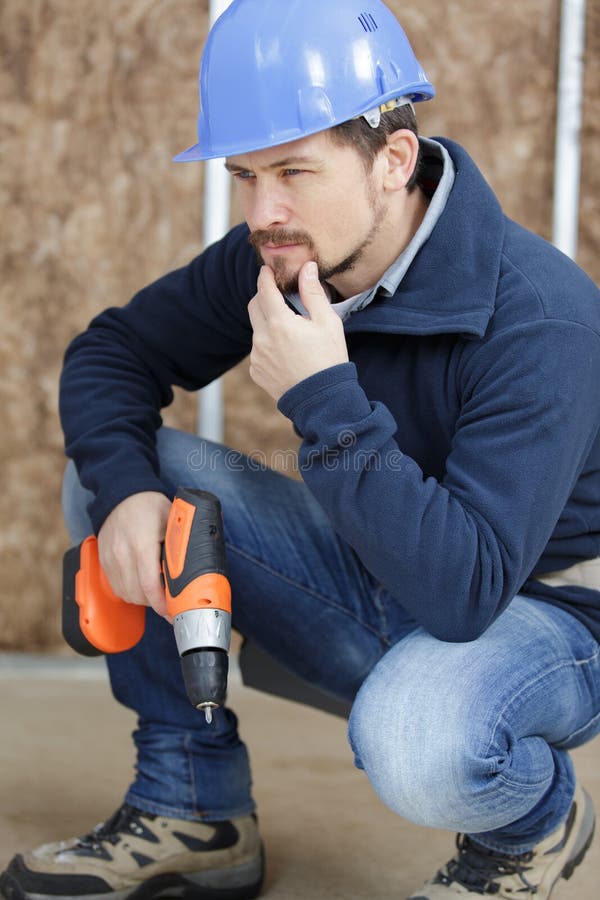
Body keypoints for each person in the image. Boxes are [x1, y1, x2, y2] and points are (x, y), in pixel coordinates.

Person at [2, 0, 600, 897]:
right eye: (245, 175)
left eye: (293, 171)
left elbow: (466, 591)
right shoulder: (283, 254)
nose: (264, 212)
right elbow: (113, 353)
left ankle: (532, 826)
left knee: (418, 736)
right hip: (382, 566)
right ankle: (193, 810)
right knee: (121, 477)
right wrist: (127, 496)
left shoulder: (541, 320)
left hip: (542, 613)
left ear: (393, 160)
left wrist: (323, 394)